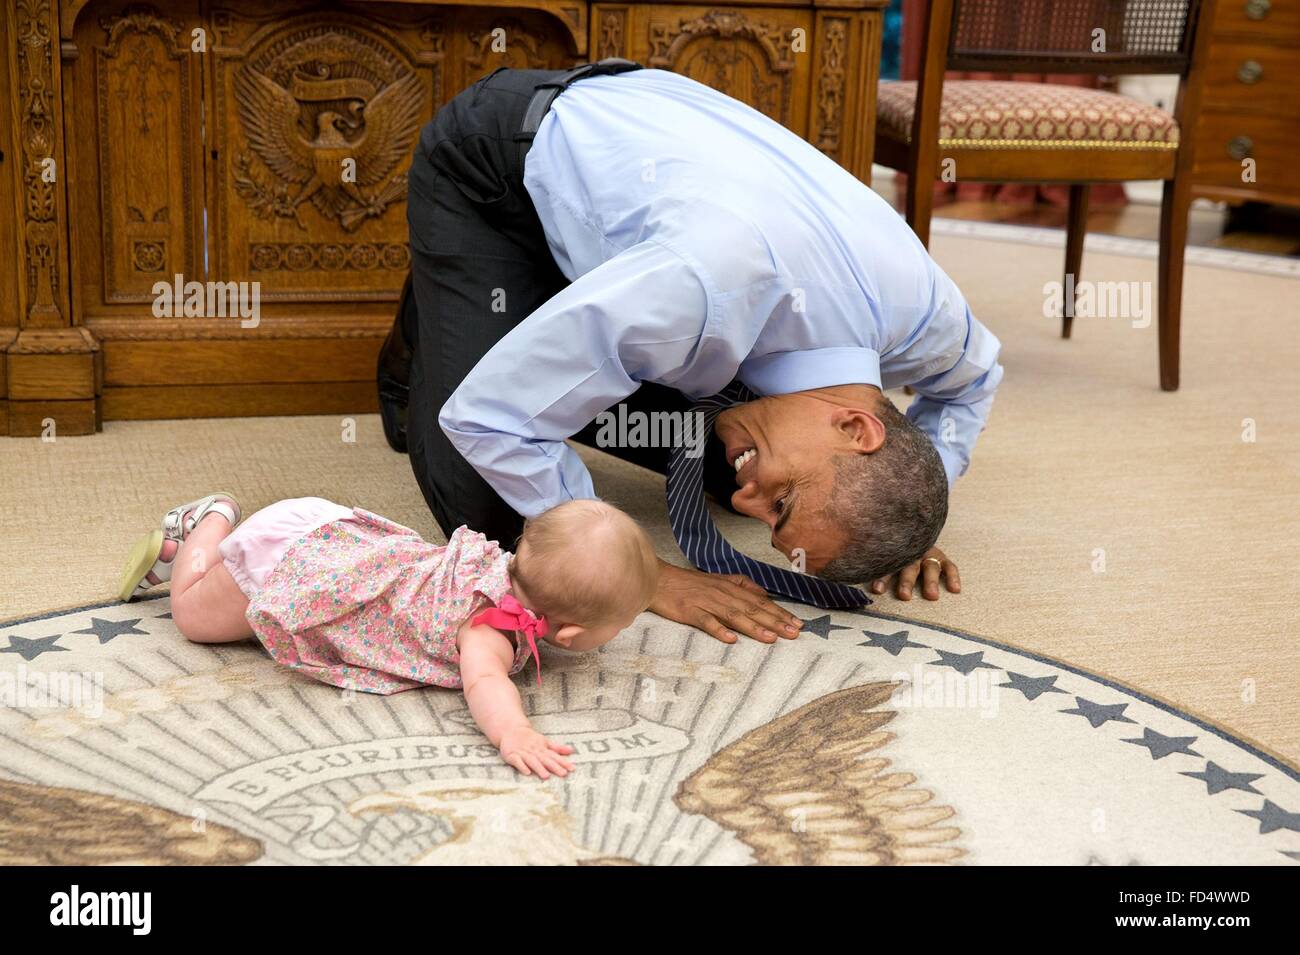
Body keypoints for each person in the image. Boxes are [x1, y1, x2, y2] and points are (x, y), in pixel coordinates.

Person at [379, 61, 1002, 646]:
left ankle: (524, 321)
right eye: (780, 504)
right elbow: (488, 417)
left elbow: (974, 383)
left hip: (653, 224)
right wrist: (641, 571)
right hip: (497, 163)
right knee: (499, 519)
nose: (743, 506)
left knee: (711, 458)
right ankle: (449, 316)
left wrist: (904, 514)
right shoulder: (702, 288)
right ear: (856, 425)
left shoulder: (926, 318)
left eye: (769, 520)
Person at [117, 493, 658, 779]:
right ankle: (206, 525)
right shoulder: (489, 626)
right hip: (292, 564)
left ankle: (217, 536)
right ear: (571, 632)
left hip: (334, 534)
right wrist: (514, 732)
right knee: (190, 615)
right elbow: (486, 684)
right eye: (624, 623)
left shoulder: (501, 565)